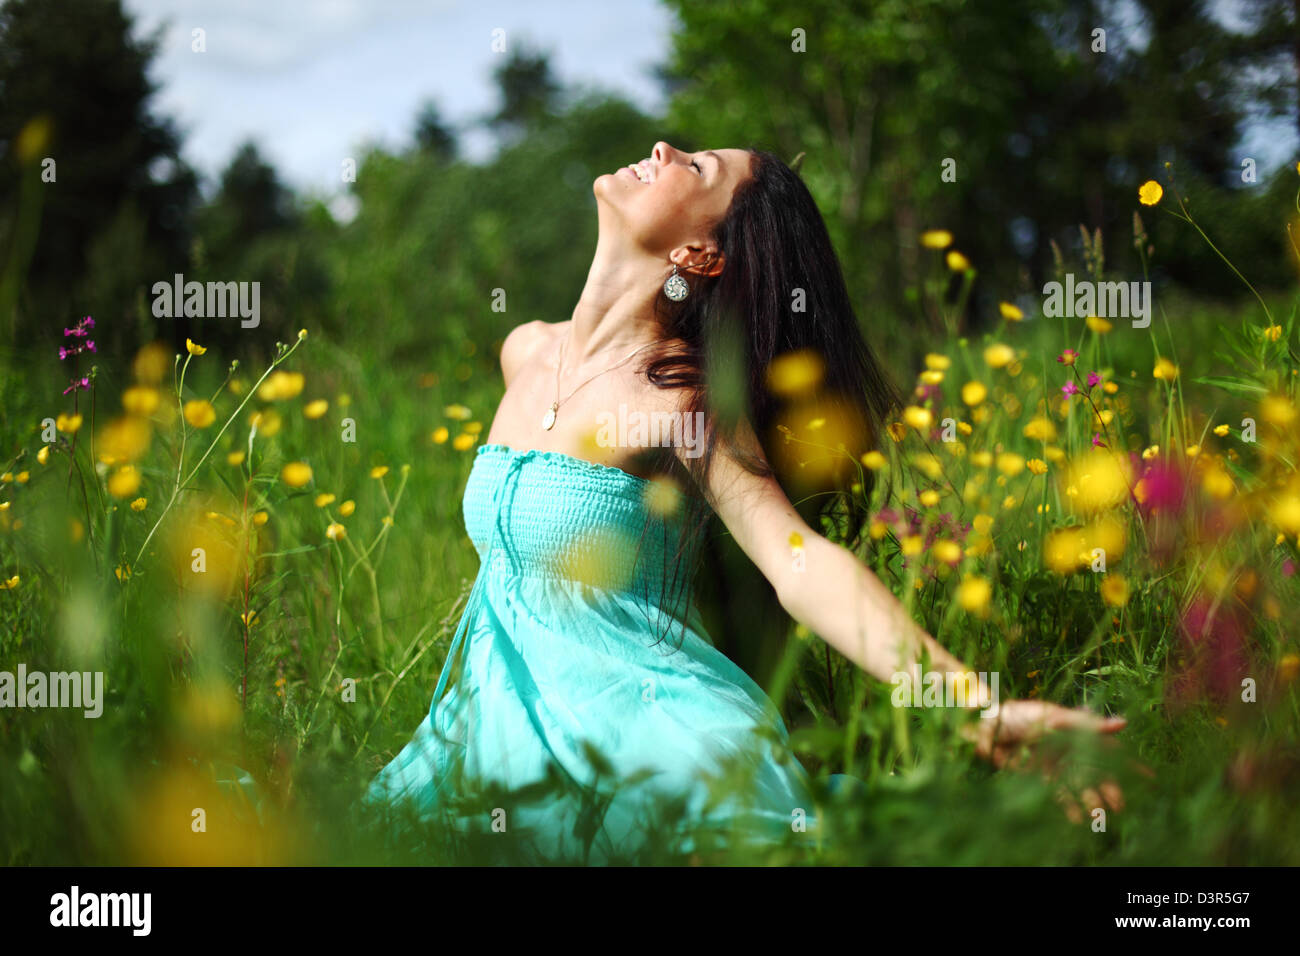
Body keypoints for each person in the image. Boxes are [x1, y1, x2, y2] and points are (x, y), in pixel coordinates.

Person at [363, 141, 1126, 863]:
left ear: (701, 255)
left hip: (645, 738)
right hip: (487, 736)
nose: (662, 149)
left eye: (694, 166)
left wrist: (970, 704)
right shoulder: (525, 350)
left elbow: (798, 563)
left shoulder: (683, 400)